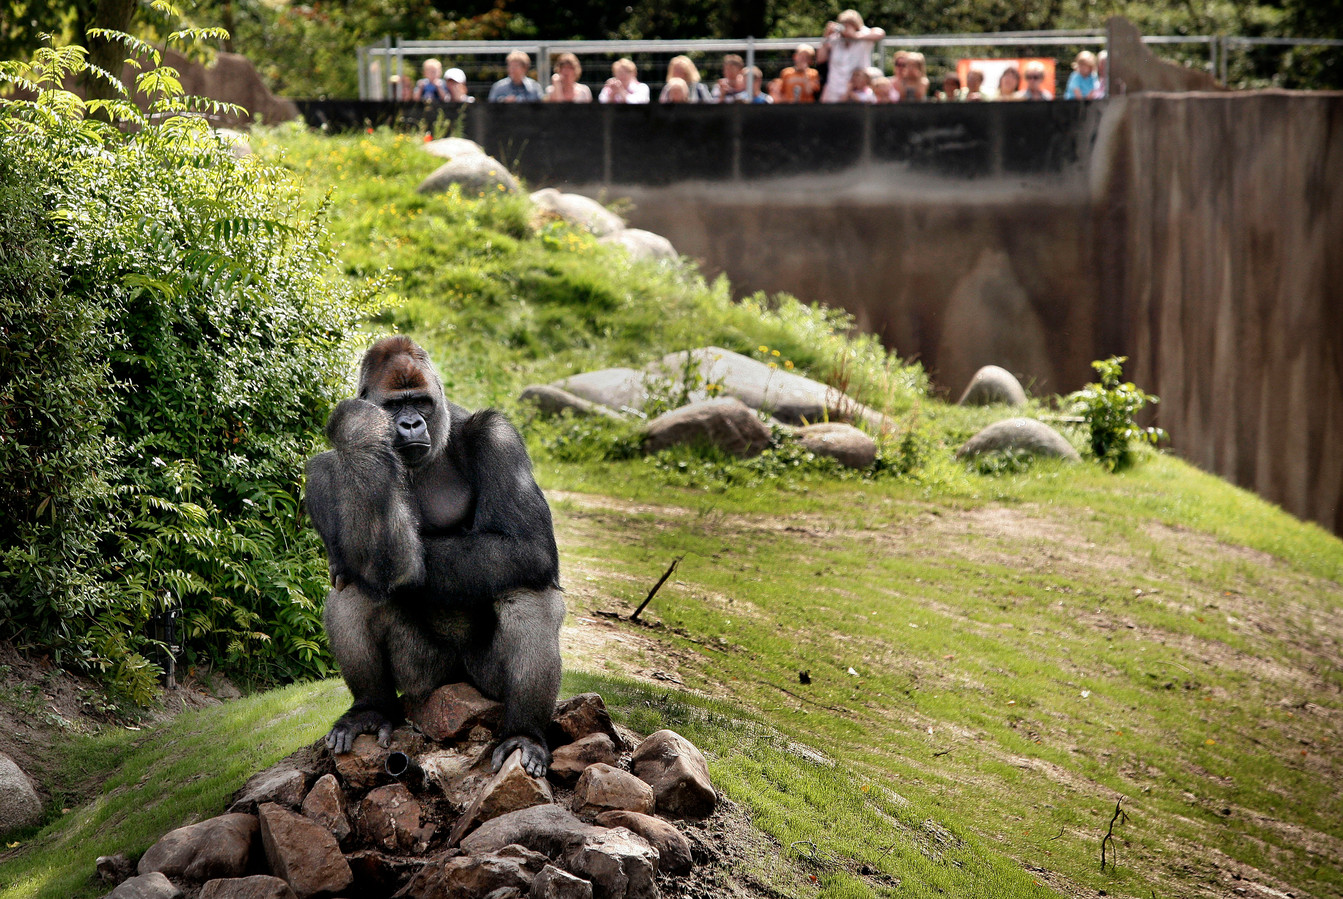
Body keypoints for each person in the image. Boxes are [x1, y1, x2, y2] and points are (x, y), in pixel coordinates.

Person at [816, 9, 885, 103]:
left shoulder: (863, 36)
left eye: (848, 26)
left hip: (856, 91)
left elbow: (880, 33)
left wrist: (855, 36)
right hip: (834, 89)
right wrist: (826, 36)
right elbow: (820, 58)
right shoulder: (835, 38)